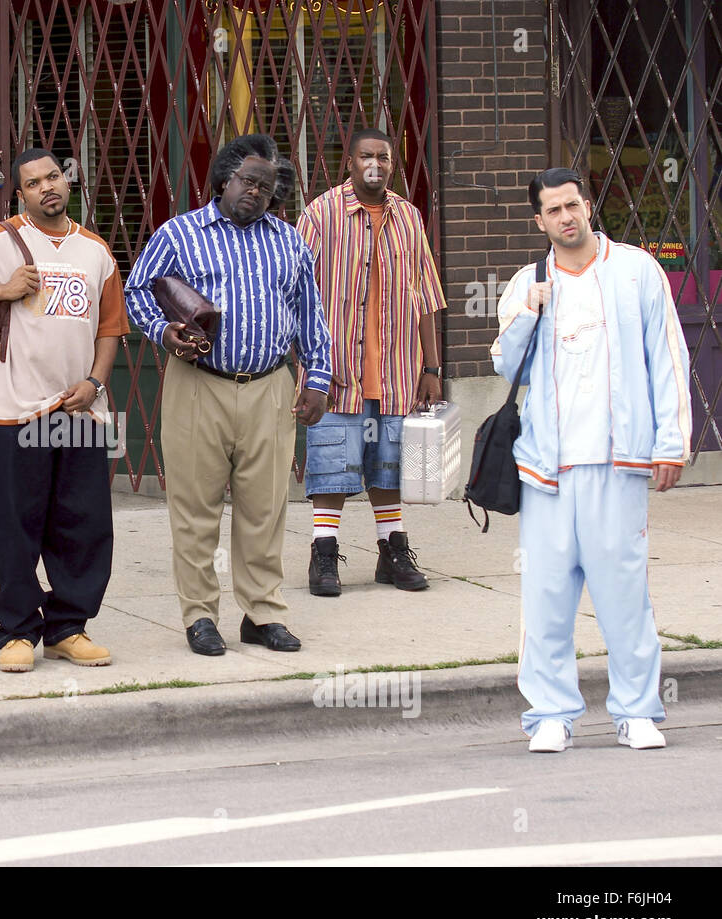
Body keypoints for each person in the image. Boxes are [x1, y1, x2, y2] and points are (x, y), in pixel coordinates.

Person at [493, 168, 692, 753]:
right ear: (539, 220)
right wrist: (530, 310)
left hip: (619, 460)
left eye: (573, 205)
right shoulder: (527, 282)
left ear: (587, 205)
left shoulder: (636, 271)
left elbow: (668, 356)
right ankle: (550, 713)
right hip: (547, 470)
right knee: (547, 598)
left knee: (624, 595)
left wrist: (671, 442)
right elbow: (508, 366)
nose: (566, 217)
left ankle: (636, 711)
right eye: (553, 211)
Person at [125, 134, 332, 657]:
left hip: (269, 386)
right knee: (195, 509)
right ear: (224, 180)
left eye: (266, 187)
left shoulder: (289, 241)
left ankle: (262, 614)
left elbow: (311, 315)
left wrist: (319, 380)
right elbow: (137, 291)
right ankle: (200, 616)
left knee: (266, 508)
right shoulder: (179, 233)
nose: (256, 194)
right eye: (248, 182)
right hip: (200, 385)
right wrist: (163, 331)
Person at [0, 149, 126, 672]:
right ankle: (16, 631)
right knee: (16, 524)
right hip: (14, 408)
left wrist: (96, 381)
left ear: (68, 180)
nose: (47, 188)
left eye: (54, 176)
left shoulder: (96, 250)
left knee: (84, 522)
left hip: (84, 410)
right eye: (34, 183)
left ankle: (69, 628)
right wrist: (3, 288)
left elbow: (110, 328)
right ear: (21, 194)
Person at [296, 128, 447, 597]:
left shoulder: (409, 217)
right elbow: (295, 291)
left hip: (398, 370)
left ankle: (392, 550)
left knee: (389, 466)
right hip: (335, 370)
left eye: (384, 156)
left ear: (393, 163)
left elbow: (426, 295)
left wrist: (432, 368)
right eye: (367, 156)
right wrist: (305, 367)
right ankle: (324, 556)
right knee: (331, 465)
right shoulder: (320, 214)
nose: (375, 163)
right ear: (350, 162)